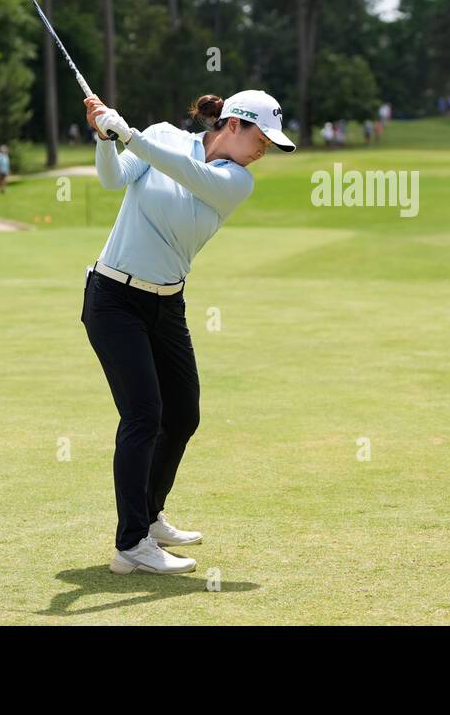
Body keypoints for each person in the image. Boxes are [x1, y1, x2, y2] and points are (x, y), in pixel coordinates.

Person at [80, 89, 295, 575]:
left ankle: (150, 515)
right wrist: (105, 139)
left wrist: (128, 135)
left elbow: (187, 174)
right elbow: (112, 179)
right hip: (113, 298)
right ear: (234, 125)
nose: (265, 150)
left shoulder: (235, 181)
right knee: (143, 416)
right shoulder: (162, 137)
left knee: (183, 415)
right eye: (262, 138)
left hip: (166, 302)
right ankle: (131, 544)